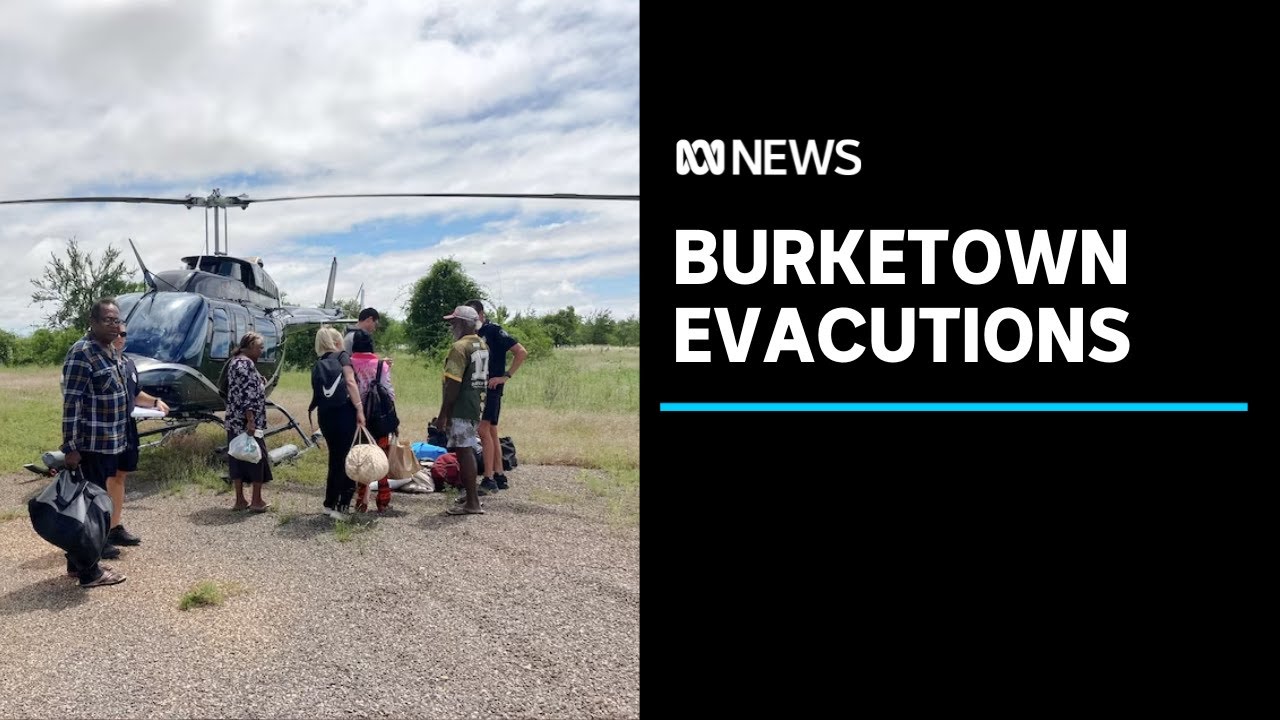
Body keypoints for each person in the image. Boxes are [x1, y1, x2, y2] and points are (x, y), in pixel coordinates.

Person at [59, 298, 128, 588]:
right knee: (91, 510)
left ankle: (77, 565)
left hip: (110, 441)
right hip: (90, 446)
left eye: (117, 320)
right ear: (93, 321)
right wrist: (71, 447)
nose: (115, 325)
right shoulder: (82, 353)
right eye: (108, 320)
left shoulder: (109, 350)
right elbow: (72, 402)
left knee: (94, 506)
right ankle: (91, 572)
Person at [105, 321, 170, 546]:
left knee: (121, 476)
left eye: (124, 334)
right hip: (106, 431)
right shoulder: (100, 361)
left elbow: (134, 394)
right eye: (116, 333)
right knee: (106, 478)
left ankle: (114, 527)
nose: (120, 337)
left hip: (127, 428)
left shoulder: (128, 363)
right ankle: (99, 532)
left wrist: (154, 401)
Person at [465, 299, 528, 492]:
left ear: (481, 315)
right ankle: (499, 474)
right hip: (478, 387)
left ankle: (489, 478)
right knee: (491, 431)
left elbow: (521, 352)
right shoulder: (474, 334)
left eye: (474, 317)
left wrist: (505, 376)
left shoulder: (493, 330)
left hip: (491, 388)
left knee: (483, 431)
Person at [435, 305, 489, 516]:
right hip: (475, 403)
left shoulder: (459, 347)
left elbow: (453, 384)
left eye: (454, 322)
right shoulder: (481, 344)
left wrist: (443, 414)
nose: (452, 326)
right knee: (467, 449)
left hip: (461, 406)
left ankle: (473, 503)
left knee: (464, 450)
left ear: (465, 323)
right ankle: (471, 495)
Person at [313, 326, 365, 519]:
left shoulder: (320, 362)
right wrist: (359, 409)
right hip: (344, 414)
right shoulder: (342, 357)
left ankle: (329, 503)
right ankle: (342, 506)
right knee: (347, 459)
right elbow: (350, 382)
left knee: (335, 459)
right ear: (337, 341)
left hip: (325, 416)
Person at [222, 332, 272, 512]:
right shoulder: (246, 364)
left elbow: (241, 388)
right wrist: (250, 421)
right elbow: (247, 395)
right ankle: (256, 501)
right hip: (247, 422)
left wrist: (259, 381)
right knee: (257, 457)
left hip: (234, 420)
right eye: (260, 347)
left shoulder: (235, 362)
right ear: (250, 347)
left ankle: (240, 500)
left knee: (236, 457)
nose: (262, 351)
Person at [349, 329, 396, 513]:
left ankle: (361, 500)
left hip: (357, 417)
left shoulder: (349, 363)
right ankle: (383, 499)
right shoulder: (380, 365)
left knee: (361, 457)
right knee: (381, 455)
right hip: (379, 417)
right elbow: (389, 391)